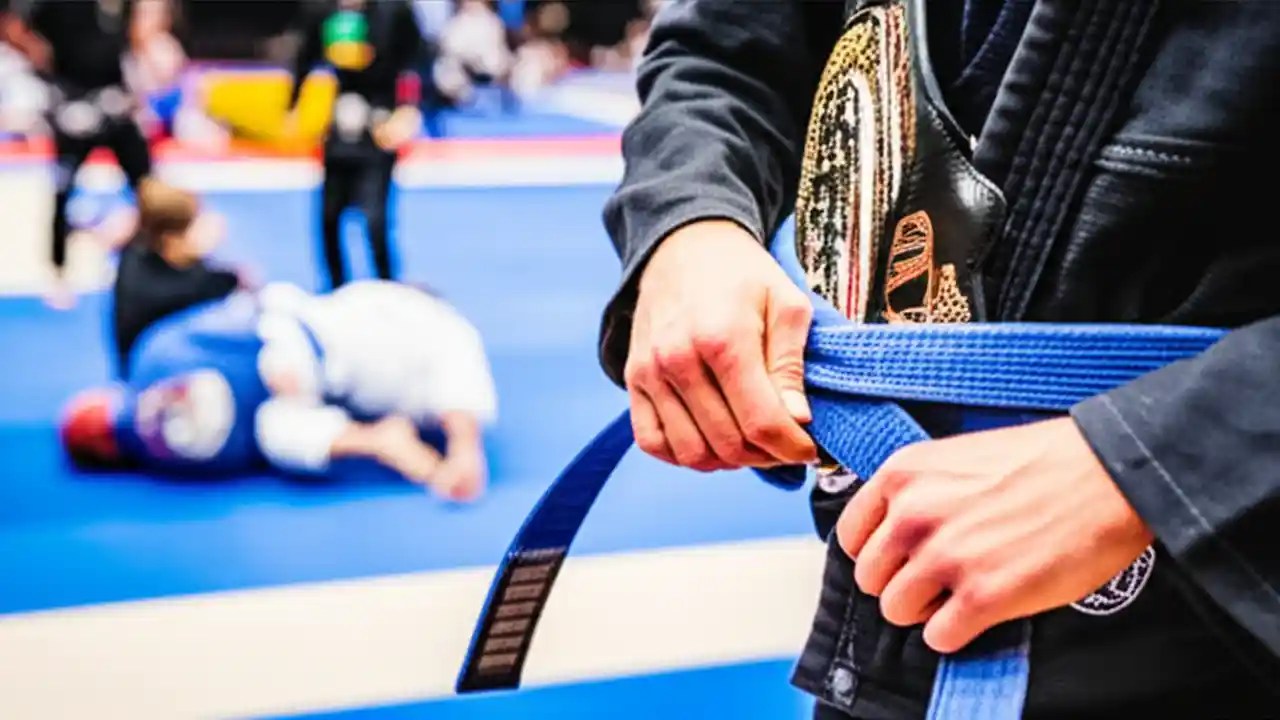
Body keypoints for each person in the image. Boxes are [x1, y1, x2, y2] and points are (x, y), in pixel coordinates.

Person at [600, 1, 1279, 718]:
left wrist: (1158, 452)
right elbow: (726, 52)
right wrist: (691, 219)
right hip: (897, 579)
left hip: (1213, 623)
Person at [62, 279, 496, 501]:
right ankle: (374, 440)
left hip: (285, 368)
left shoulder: (163, 447)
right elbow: (245, 308)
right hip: (294, 349)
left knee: (278, 432)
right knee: (279, 427)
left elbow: (241, 312)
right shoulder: (424, 318)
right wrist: (464, 448)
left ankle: (372, 440)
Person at [0, 0, 174, 309]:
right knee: (62, 192)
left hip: (116, 102)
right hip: (72, 104)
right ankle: (58, 273)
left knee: (149, 187)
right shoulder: (52, 7)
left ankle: (163, 258)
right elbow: (15, 25)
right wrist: (39, 57)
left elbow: (138, 32)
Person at [285, 0, 424, 290]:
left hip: (382, 122)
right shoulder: (324, 12)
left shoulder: (393, 11)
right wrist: (293, 105)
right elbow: (305, 57)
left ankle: (388, 288)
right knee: (329, 215)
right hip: (340, 125)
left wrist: (408, 109)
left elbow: (417, 61)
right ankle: (335, 289)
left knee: (375, 218)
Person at [111, 178, 244, 378]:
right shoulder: (183, 287)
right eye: (195, 225)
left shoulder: (141, 251)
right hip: (152, 379)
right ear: (171, 240)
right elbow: (224, 283)